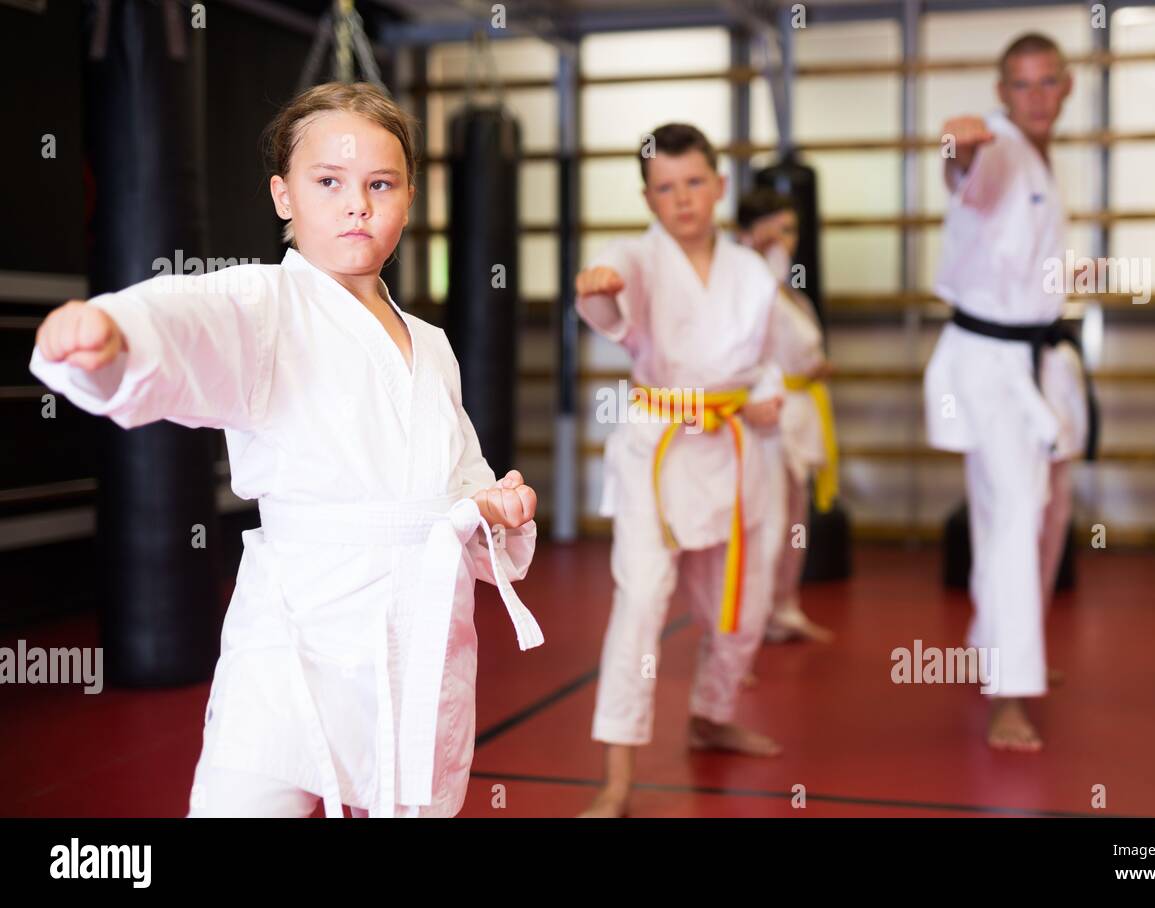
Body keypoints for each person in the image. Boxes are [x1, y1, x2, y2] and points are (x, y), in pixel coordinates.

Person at [29, 81, 544, 817]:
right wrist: (116, 336)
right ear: (283, 197)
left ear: (409, 198)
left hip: (419, 633)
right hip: (297, 631)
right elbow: (191, 322)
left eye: (379, 184)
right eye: (328, 182)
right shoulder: (267, 307)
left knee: (410, 800)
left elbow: (461, 479)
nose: (355, 203)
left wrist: (497, 504)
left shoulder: (432, 346)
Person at [575, 123, 784, 818]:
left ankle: (711, 714)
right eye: (666, 187)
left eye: (695, 182)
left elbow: (764, 359)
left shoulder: (750, 271)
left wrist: (765, 395)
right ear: (648, 198)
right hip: (658, 454)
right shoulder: (635, 256)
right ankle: (617, 776)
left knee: (741, 602)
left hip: (732, 447)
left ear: (719, 186)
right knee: (639, 607)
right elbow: (608, 299)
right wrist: (598, 289)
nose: (683, 199)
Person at [923, 33, 1093, 752]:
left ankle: (995, 644)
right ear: (1001, 92)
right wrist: (956, 149)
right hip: (989, 365)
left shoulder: (1048, 163)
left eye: (1047, 82)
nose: (1036, 97)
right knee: (1016, 517)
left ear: (1067, 86)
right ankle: (1008, 694)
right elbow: (967, 174)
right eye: (1021, 85)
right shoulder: (997, 148)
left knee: (1047, 510)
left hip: (1041, 357)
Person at [735, 187, 836, 646]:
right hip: (762, 416)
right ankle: (739, 639)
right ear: (746, 234)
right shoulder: (739, 286)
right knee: (764, 527)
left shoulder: (791, 294)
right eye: (773, 229)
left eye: (790, 230)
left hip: (800, 411)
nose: (784, 240)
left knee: (795, 520)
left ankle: (783, 611)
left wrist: (815, 369)